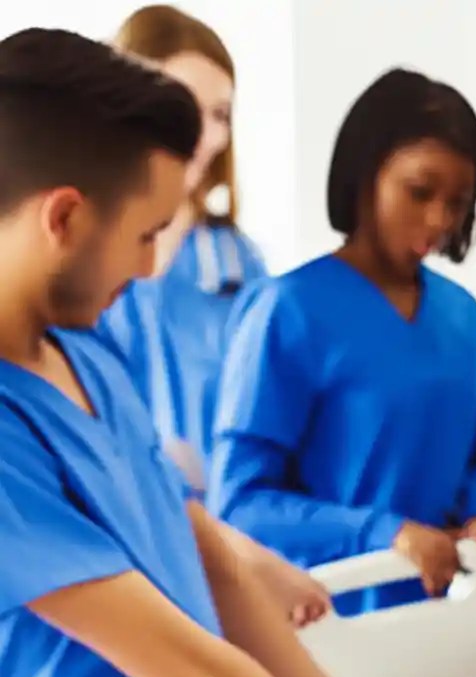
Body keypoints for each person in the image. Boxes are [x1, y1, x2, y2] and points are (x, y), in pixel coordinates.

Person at [0, 27, 384, 677]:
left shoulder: (84, 356)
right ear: (64, 217)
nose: (151, 267)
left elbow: (210, 560)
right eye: (146, 235)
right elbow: (198, 675)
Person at [206, 68, 476, 616]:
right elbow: (240, 506)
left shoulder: (459, 317)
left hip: (432, 625)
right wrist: (384, 532)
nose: (439, 220)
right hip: (320, 626)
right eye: (419, 191)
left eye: (457, 202)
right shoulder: (287, 312)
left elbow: (469, 465)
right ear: (364, 176)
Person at [99, 3, 329, 629]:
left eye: (219, 114)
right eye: (181, 104)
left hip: (222, 555)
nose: (200, 131)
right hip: (113, 547)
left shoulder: (239, 267)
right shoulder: (75, 266)